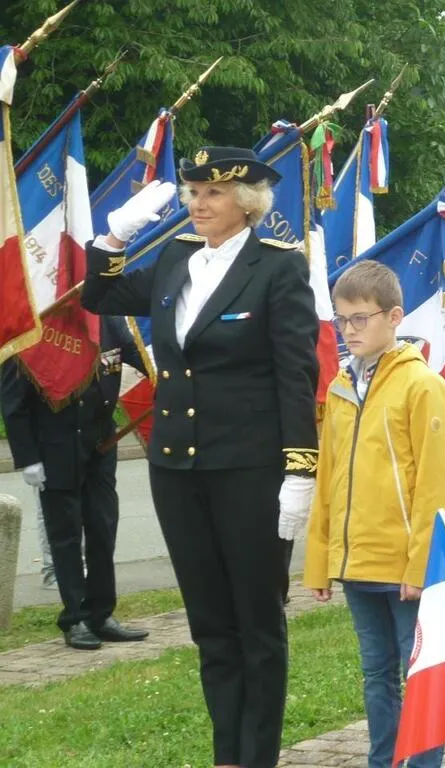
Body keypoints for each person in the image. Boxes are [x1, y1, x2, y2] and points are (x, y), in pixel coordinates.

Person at [81, 147, 320, 768]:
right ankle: (227, 757)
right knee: (210, 625)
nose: (198, 203)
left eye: (212, 193)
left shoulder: (277, 270)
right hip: (176, 467)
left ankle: (258, 755)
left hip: (249, 468)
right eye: (192, 192)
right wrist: (112, 234)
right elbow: (99, 297)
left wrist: (300, 468)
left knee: (257, 624)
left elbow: (296, 375)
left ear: (246, 203)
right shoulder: (176, 258)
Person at [304, 260, 445, 768]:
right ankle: (383, 761)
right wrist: (321, 558)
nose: (349, 332)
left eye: (360, 319)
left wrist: (421, 566)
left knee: (422, 673)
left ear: (394, 316)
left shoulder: (421, 385)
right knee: (376, 676)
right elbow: (328, 480)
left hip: (403, 566)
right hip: (357, 563)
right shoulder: (341, 387)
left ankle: (423, 763)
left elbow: (433, 487)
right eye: (341, 320)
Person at [1, 318, 151, 649]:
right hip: (55, 447)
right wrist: (27, 457)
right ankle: (75, 617)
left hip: (100, 444)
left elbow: (138, 358)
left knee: (103, 527)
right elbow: (13, 399)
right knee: (66, 534)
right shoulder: (37, 326)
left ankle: (101, 613)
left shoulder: (110, 322)